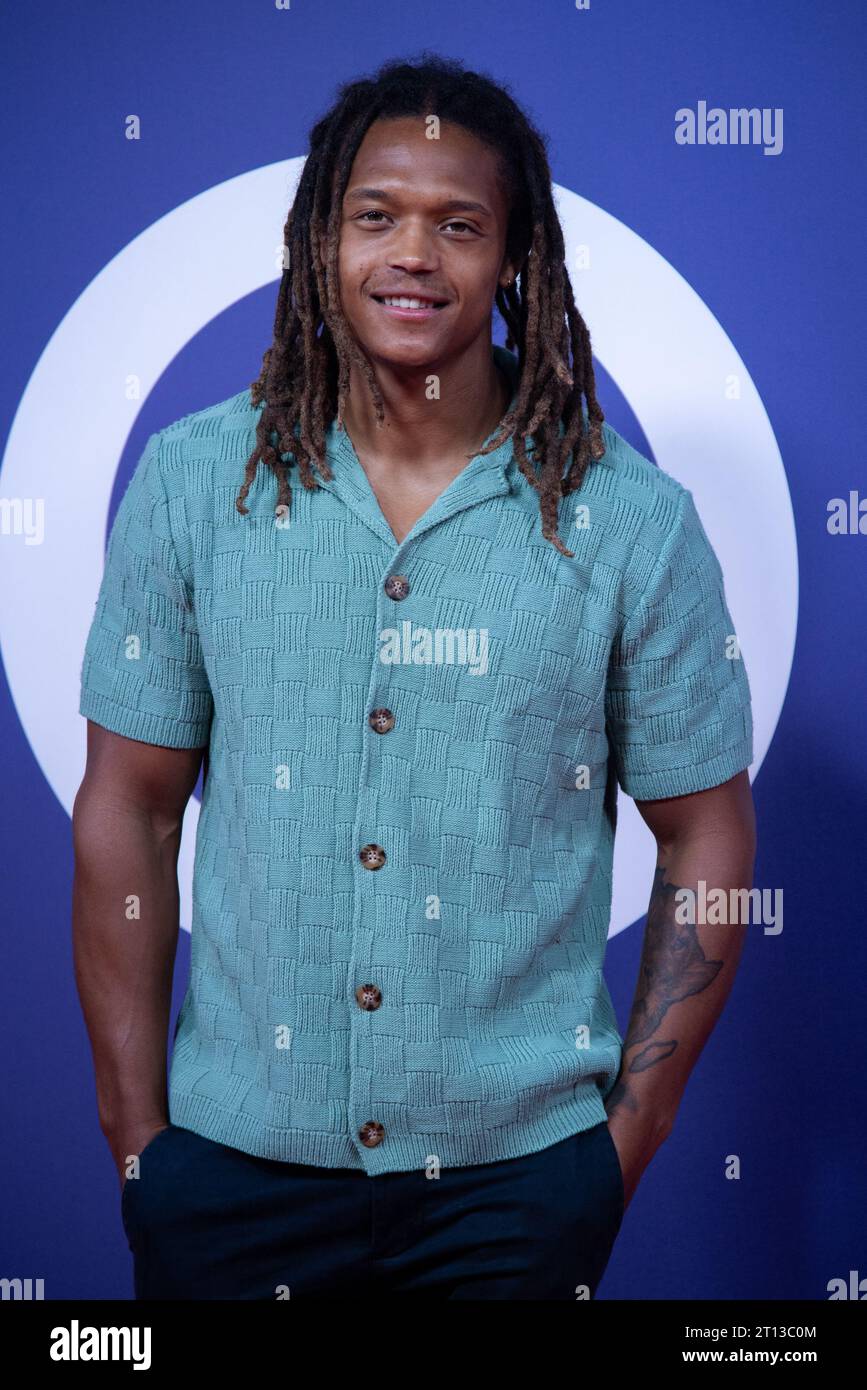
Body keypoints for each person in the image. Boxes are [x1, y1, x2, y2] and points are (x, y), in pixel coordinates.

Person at [72, 54, 756, 1301]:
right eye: (375, 214)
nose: (412, 255)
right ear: (319, 240)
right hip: (228, 1174)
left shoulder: (630, 522)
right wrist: (138, 1144)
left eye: (459, 224)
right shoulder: (192, 483)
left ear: (515, 260)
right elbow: (129, 803)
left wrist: (628, 1139)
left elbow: (708, 831)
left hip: (518, 1186)